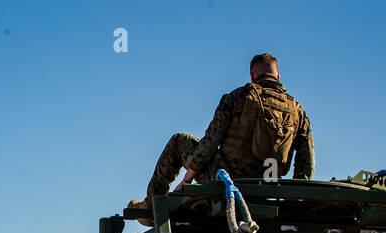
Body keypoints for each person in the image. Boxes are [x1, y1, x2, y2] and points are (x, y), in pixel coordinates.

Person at [131, 54, 314, 222]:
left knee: (179, 140)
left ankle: (151, 206)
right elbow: (306, 164)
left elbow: (211, 142)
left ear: (252, 75)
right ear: (278, 77)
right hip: (268, 184)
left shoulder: (239, 97)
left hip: (226, 180)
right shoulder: (298, 111)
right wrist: (294, 201)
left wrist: (188, 178)